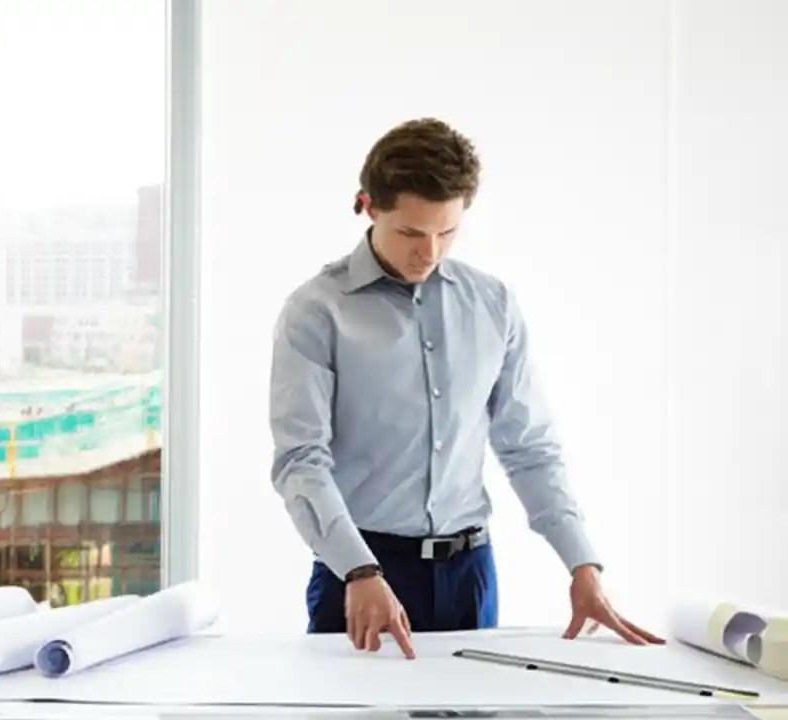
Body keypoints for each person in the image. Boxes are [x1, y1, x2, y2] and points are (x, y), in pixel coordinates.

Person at [268, 117, 663, 658]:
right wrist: (358, 568)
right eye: (410, 232)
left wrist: (582, 563)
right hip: (361, 573)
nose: (428, 253)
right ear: (368, 205)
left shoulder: (493, 304)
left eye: (445, 232)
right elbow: (301, 461)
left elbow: (527, 447)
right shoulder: (316, 311)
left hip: (471, 575)